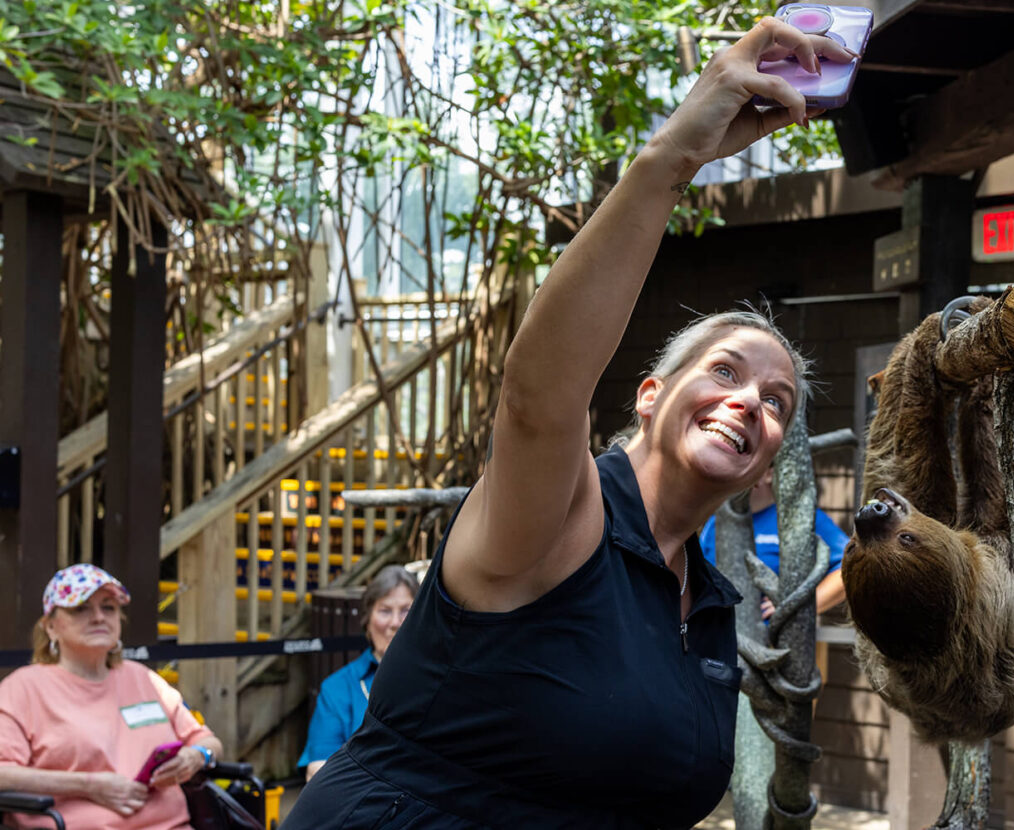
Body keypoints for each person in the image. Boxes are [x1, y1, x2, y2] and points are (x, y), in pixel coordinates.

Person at [285, 18, 855, 829]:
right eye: (725, 370)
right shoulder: (565, 513)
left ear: (768, 460)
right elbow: (536, 398)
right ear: (651, 396)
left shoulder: (712, 609)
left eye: (776, 402)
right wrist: (673, 161)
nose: (749, 403)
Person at [0, 564, 225, 830]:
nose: (98, 617)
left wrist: (195, 756)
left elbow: (209, 741)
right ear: (50, 627)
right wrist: (88, 786)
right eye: (80, 608)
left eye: (108, 607)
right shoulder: (23, 689)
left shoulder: (144, 679)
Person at [297, 565, 419, 781]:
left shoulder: (438, 680)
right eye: (384, 610)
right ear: (367, 621)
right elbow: (317, 770)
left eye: (406, 611)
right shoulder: (338, 688)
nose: (394, 623)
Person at [699, 466, 847, 618]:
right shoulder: (715, 522)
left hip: (771, 637)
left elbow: (847, 567)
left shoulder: (800, 517)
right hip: (717, 633)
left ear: (769, 473)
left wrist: (799, 605)